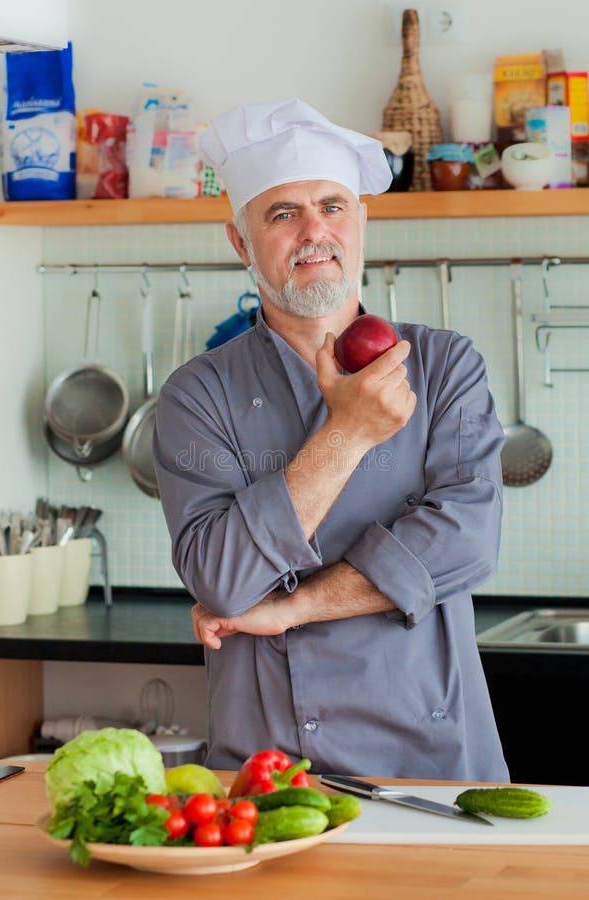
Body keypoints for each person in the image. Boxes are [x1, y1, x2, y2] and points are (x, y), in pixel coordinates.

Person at [153, 98, 509, 781]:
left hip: (434, 763)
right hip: (271, 768)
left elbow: (466, 541)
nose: (315, 230)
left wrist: (292, 608)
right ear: (240, 242)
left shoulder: (442, 366)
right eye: (282, 213)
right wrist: (347, 435)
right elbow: (223, 581)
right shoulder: (198, 395)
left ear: (363, 222)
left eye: (333, 206)